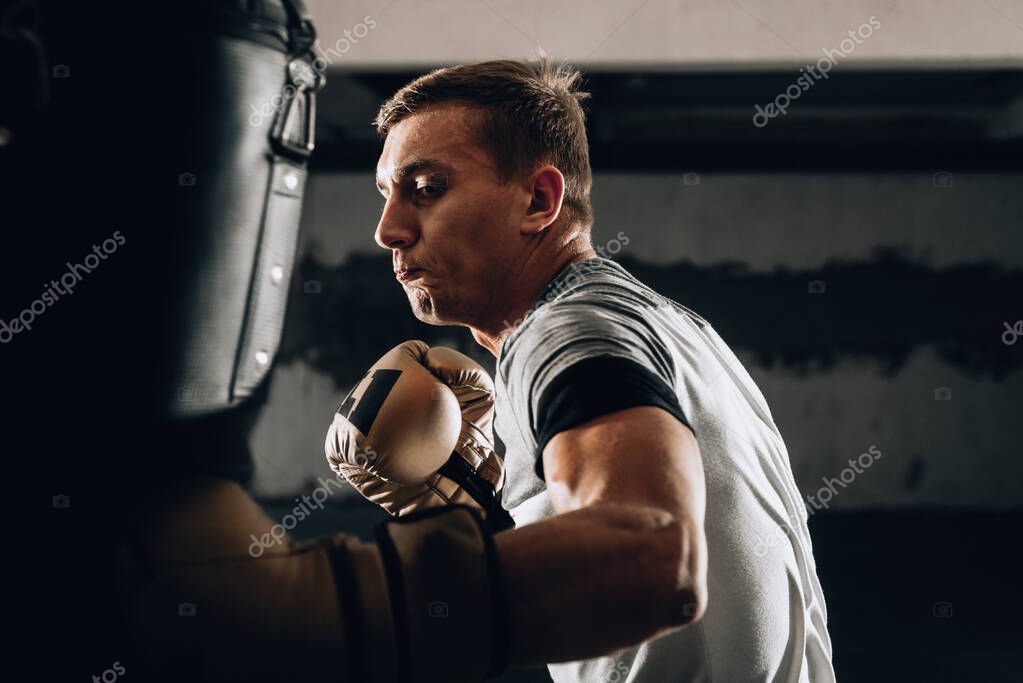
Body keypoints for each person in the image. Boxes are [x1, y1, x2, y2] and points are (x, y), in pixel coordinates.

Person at [350, 56, 836, 682]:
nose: (388, 229)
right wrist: (472, 519)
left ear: (539, 200)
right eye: (387, 193)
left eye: (426, 188)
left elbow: (656, 560)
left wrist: (354, 602)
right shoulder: (667, 324)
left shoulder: (567, 333)